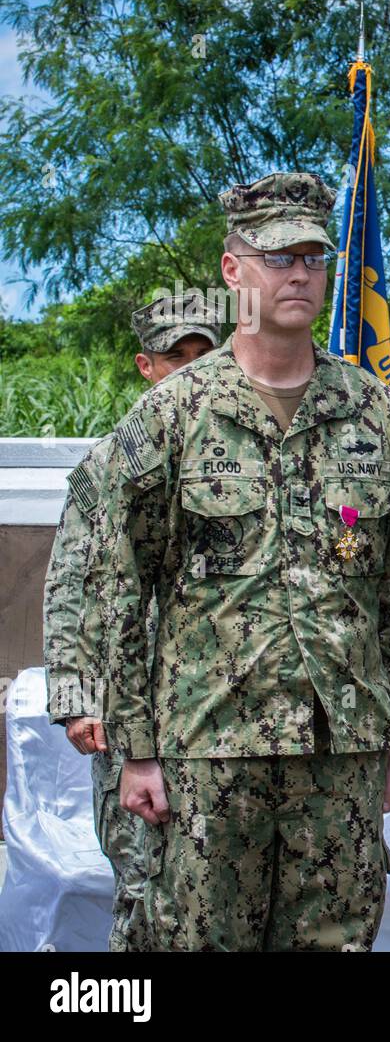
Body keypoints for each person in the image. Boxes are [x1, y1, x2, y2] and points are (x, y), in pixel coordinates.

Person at [95, 171, 390, 951]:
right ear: (232, 270)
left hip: (339, 748)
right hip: (209, 748)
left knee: (337, 940)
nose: (301, 274)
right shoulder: (170, 417)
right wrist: (136, 748)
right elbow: (121, 588)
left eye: (315, 255)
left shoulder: (379, 418)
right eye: (279, 256)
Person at [45, 297, 221, 951]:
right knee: (147, 886)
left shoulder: (245, 459)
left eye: (204, 356)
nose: (190, 370)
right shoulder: (109, 462)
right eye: (177, 356)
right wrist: (73, 698)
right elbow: (69, 583)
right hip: (133, 704)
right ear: (147, 365)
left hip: (222, 709)